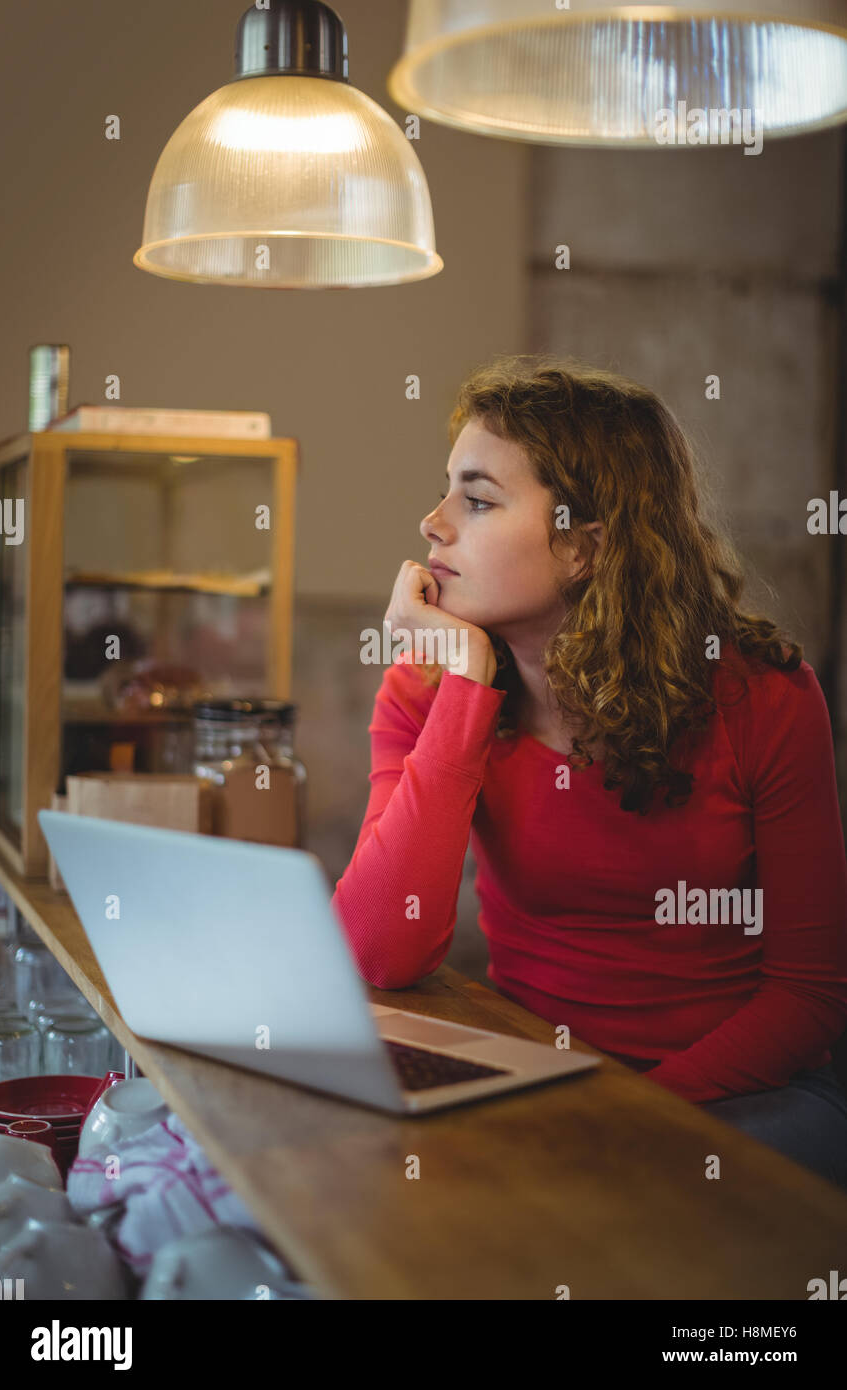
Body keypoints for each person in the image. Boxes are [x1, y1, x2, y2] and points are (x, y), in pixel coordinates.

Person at [331, 354, 847, 1191]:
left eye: (477, 498)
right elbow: (381, 950)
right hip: (534, 1076)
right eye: (443, 491)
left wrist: (625, 1113)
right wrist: (465, 687)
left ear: (583, 546)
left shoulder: (766, 697)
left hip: (744, 1097)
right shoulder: (426, 692)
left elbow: (810, 997)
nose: (432, 523)